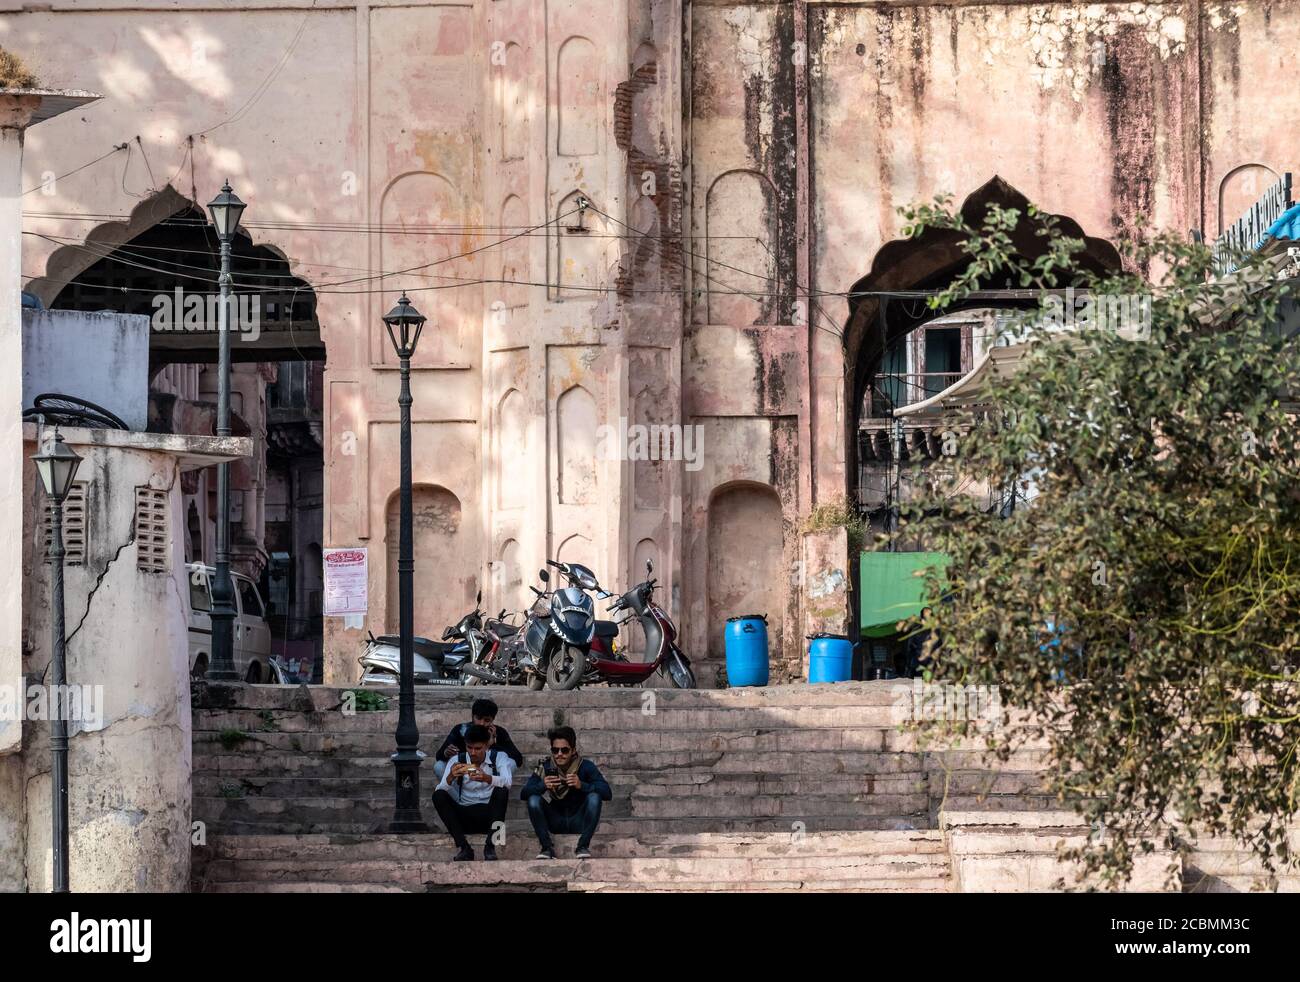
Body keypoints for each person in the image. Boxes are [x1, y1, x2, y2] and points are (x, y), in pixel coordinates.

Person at [520, 726, 612, 859]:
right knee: (533, 799)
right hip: (555, 820)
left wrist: (582, 785)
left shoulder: (585, 766)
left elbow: (607, 793)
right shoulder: (545, 766)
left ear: (573, 750)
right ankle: (546, 847)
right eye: (555, 750)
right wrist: (543, 785)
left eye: (564, 750)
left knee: (594, 797)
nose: (559, 754)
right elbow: (524, 793)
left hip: (579, 820)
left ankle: (582, 846)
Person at [431, 723, 515, 861]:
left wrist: (487, 778)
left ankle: (490, 847)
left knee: (502, 791)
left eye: (478, 748)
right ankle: (464, 848)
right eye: (469, 747)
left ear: (487, 746)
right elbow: (440, 790)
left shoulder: (499, 757)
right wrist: (450, 777)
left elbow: (507, 782)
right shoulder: (457, 760)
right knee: (438, 795)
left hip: (490, 815)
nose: (473, 753)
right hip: (465, 813)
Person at [433, 697, 523, 783]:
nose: (481, 723)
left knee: (511, 763)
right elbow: (439, 756)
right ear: (473, 717)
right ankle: (458, 797)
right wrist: (446, 753)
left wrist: (493, 744)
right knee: (439, 766)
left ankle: (493, 796)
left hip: (490, 774)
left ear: (492, 720)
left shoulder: (498, 732)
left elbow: (518, 759)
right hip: (464, 771)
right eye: (478, 718)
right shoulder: (460, 729)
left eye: (487, 720)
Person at [905, 607, 935, 679]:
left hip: (932, 666)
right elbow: (909, 649)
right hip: (918, 665)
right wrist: (908, 666)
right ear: (922, 620)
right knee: (918, 686)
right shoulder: (916, 632)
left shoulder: (936, 632)